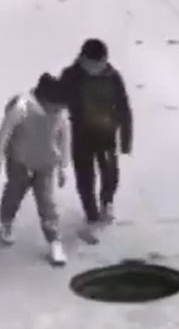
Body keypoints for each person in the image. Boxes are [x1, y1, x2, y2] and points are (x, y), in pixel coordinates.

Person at [0, 73, 70, 266]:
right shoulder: (22, 108)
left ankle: (54, 240)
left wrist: (63, 167)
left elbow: (64, 140)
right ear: (45, 100)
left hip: (46, 164)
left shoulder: (60, 115)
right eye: (56, 106)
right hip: (20, 163)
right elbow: (5, 133)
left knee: (47, 202)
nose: (59, 111)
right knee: (14, 194)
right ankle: (6, 222)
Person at [59, 38, 133, 244]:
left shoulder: (113, 78)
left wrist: (126, 139)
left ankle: (107, 201)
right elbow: (56, 104)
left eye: (100, 63)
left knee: (110, 172)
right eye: (92, 64)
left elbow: (124, 108)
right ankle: (90, 212)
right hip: (81, 135)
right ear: (83, 60)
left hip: (106, 134)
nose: (96, 68)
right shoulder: (70, 76)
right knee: (85, 178)